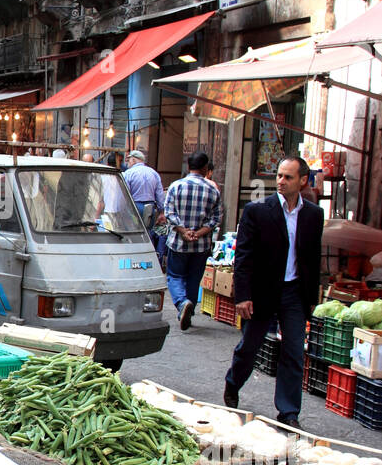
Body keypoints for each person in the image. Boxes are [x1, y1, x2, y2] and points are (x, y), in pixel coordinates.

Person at [223, 156, 324, 428]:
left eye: (288, 177)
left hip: (294, 293)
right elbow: (243, 256)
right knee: (250, 346)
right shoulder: (258, 211)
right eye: (279, 175)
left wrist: (311, 298)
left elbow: (313, 257)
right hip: (262, 292)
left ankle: (289, 412)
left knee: (293, 351)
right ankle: (233, 382)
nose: (281, 181)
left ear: (303, 181)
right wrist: (242, 295)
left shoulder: (313, 215)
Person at [164, 152, 223, 333]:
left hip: (178, 242)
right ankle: (188, 311)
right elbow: (216, 218)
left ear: (188, 166)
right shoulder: (213, 189)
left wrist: (183, 230)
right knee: (193, 277)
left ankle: (183, 304)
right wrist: (198, 233)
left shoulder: (176, 186)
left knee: (175, 275)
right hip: (201, 244)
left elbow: (169, 213)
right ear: (205, 168)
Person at [122, 148, 164, 238]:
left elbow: (125, 194)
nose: (128, 163)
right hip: (150, 207)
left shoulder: (128, 173)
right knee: (147, 234)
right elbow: (160, 195)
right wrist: (161, 211)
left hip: (134, 207)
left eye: (129, 160)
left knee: (132, 234)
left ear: (133, 160)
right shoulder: (154, 173)